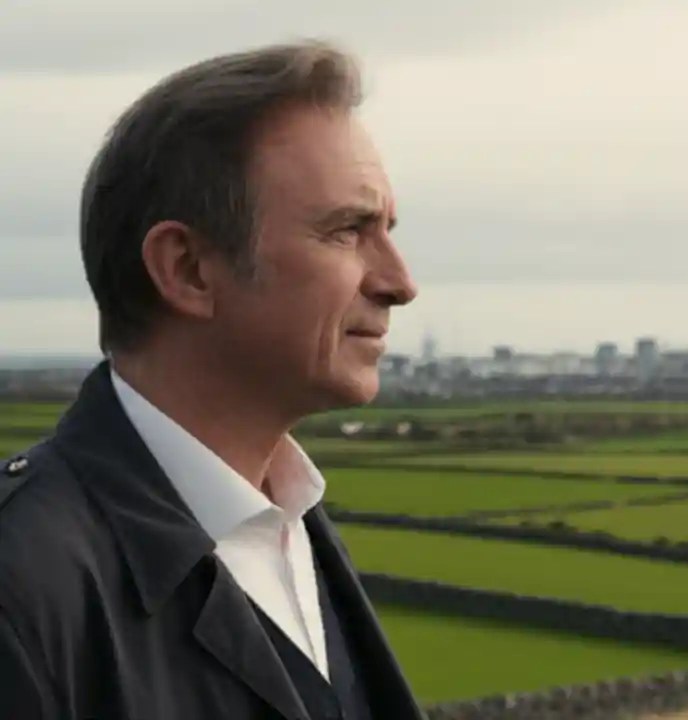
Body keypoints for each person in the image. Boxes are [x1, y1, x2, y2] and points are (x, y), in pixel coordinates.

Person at [0, 41, 423, 719]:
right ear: (190, 269)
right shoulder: (24, 584)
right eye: (348, 230)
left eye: (387, 230)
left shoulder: (292, 527)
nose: (400, 281)